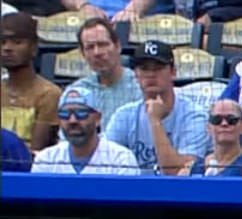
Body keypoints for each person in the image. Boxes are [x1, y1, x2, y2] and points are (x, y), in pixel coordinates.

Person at [102, 40, 210, 175]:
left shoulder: (194, 116)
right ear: (135, 74)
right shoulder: (124, 116)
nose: (151, 74)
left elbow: (177, 173)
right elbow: (104, 162)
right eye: (144, 68)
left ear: (173, 72)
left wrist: (155, 121)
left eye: (158, 68)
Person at [31, 84, 138, 175]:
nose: (72, 120)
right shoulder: (46, 159)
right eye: (65, 114)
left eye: (81, 113)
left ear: (97, 119)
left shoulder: (121, 159)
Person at [1, 12, 61, 151]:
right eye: (2, 42)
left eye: (17, 42)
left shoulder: (49, 94)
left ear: (33, 48)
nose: (7, 48)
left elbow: (37, 150)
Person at [72, 16, 140, 126]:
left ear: (117, 46)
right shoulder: (77, 91)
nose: (97, 53)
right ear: (82, 53)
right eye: (90, 47)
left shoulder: (139, 87)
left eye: (102, 44)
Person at [180, 98, 242, 177]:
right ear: (208, 128)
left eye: (231, 120)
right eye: (217, 120)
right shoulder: (192, 168)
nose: (224, 124)